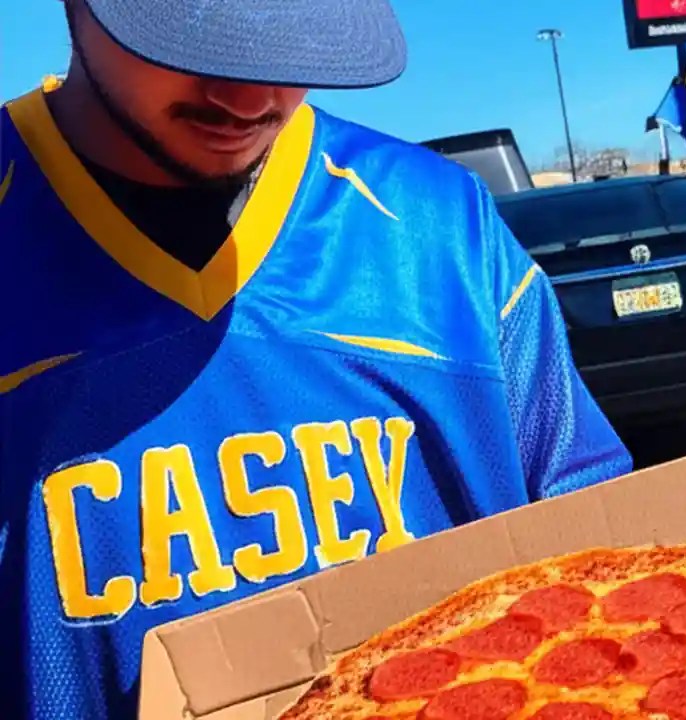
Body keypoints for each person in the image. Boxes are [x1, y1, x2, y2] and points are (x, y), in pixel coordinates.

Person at [0, 1, 633, 717]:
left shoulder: (439, 225)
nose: (247, 98)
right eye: (197, 35)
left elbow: (598, 553)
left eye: (294, 43)